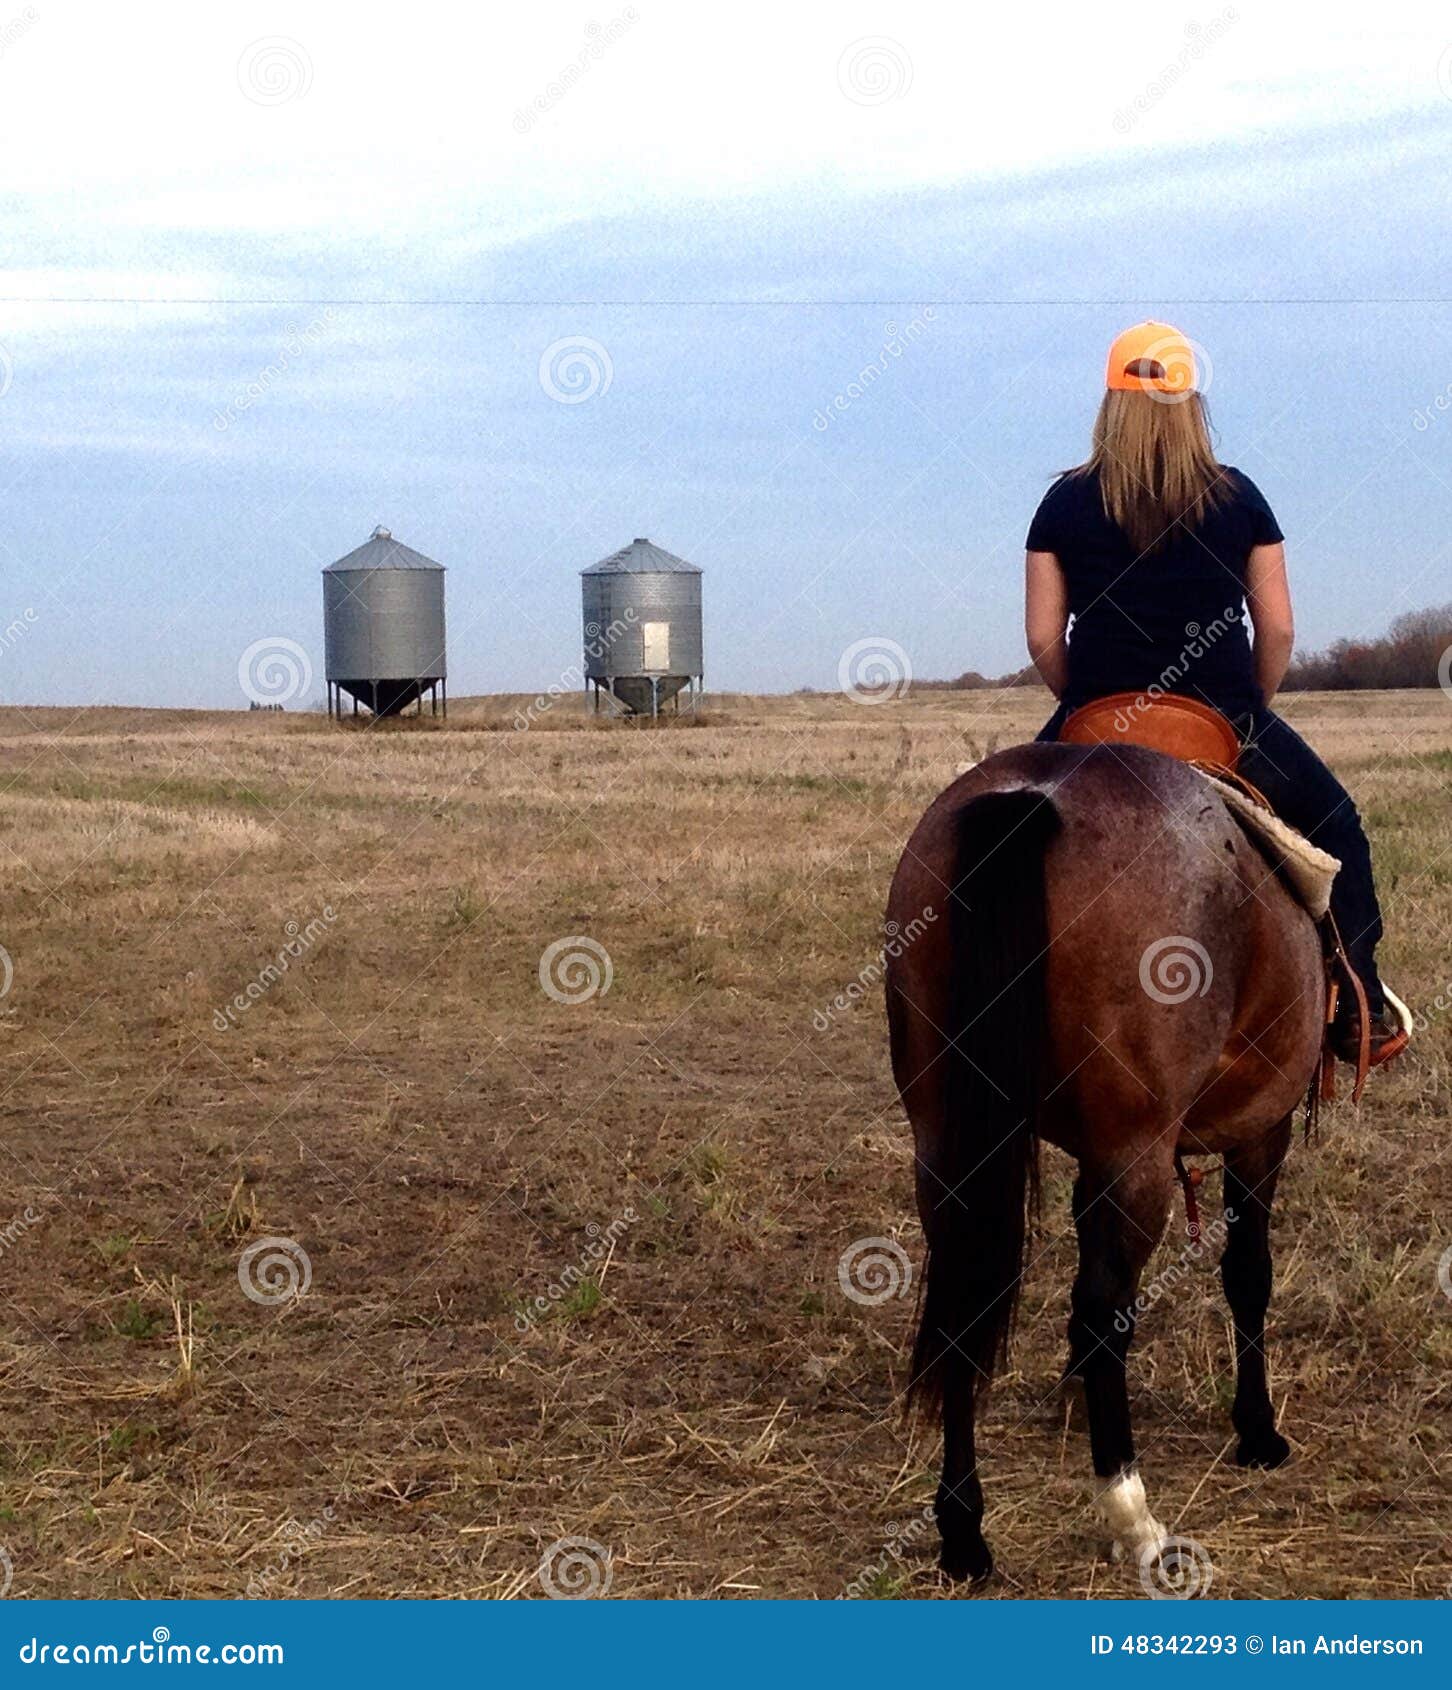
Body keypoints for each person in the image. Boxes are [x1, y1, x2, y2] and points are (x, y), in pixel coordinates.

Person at [1024, 321, 1405, 1066]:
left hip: (1097, 722)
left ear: (1111, 401)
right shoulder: (1240, 500)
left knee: (996, 844)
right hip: (1220, 718)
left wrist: (1086, 703)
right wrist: (1248, 706)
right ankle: (1359, 1005)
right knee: (1337, 825)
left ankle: (975, 1015)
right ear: (1191, 402)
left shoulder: (1062, 505)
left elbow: (1042, 638)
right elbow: (1282, 629)